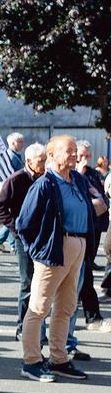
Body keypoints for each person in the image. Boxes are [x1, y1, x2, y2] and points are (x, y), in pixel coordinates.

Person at [16, 135, 100, 382]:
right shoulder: (45, 183)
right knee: (39, 307)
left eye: (75, 150)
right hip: (55, 249)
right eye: (69, 151)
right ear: (51, 155)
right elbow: (24, 223)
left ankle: (59, 358)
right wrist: (38, 252)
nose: (74, 155)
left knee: (66, 307)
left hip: (78, 245)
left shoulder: (77, 180)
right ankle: (31, 361)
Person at [0, 143, 48, 339]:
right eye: (41, 161)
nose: (44, 164)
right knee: (27, 283)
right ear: (29, 161)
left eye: (45, 160)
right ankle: (22, 326)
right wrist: (16, 227)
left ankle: (39, 329)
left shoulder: (47, 179)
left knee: (44, 285)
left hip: (44, 238)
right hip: (23, 240)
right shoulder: (16, 180)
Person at [75, 140, 108, 331]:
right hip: (70, 235)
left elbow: (101, 201)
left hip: (90, 230)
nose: (83, 159)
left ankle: (93, 317)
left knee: (86, 274)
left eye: (87, 155)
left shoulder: (93, 175)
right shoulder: (71, 176)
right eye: (80, 155)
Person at [0, 132, 27, 252]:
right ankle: (1, 241)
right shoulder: (11, 156)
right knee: (12, 217)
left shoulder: (15, 155)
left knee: (13, 216)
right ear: (12, 143)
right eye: (20, 141)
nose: (22, 144)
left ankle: (10, 243)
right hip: (11, 189)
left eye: (22, 141)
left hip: (14, 189)